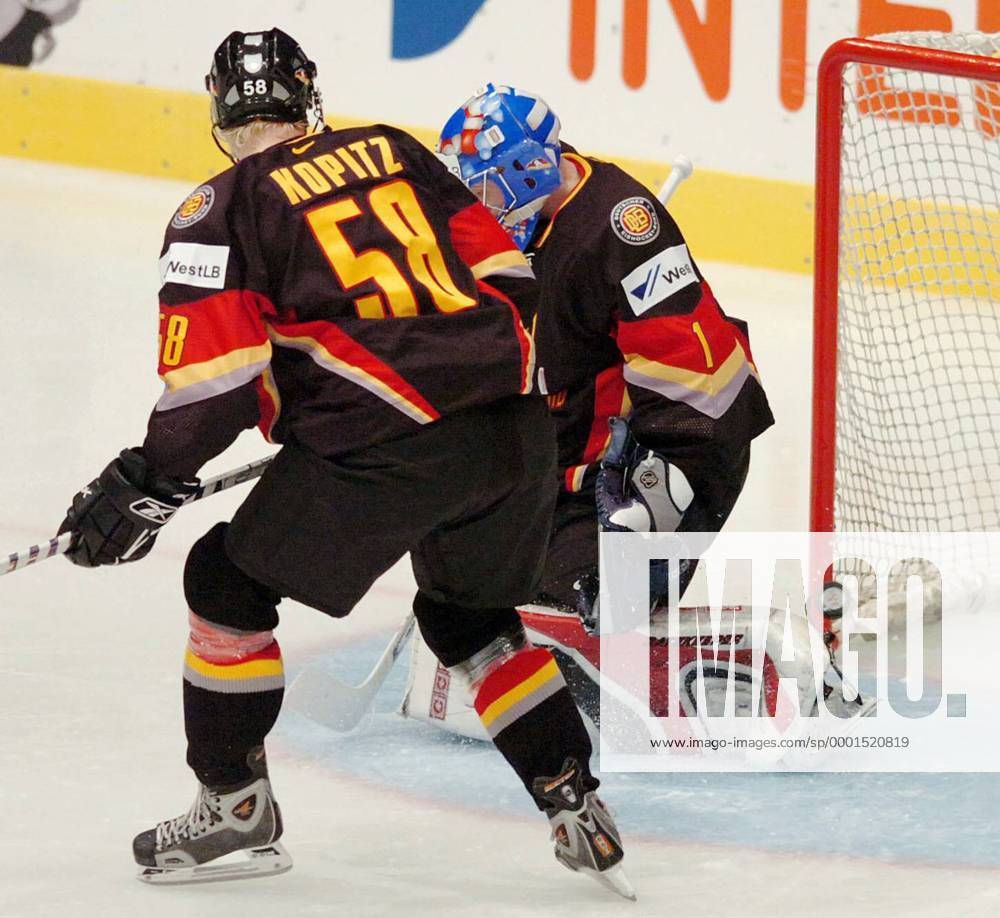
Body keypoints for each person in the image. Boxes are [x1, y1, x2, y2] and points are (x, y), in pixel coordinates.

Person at [57, 34, 634, 900]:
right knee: (467, 616)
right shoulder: (397, 151)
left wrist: (145, 478)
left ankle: (234, 807)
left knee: (225, 582)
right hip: (516, 429)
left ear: (220, 111)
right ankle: (571, 795)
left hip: (386, 448)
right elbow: (513, 276)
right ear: (305, 95)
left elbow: (212, 391)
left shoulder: (217, 210)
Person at [401, 85, 872, 738]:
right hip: (561, 462)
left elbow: (706, 389)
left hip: (666, 458)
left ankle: (774, 667)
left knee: (575, 597)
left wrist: (655, 498)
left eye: (485, 191)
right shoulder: (498, 228)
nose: (472, 208)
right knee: (456, 571)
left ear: (528, 173)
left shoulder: (618, 231)